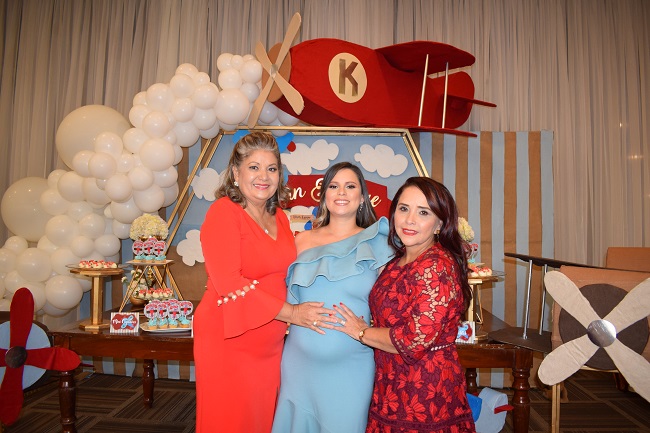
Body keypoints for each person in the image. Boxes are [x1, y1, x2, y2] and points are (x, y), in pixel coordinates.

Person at [193, 132, 336, 433]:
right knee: (230, 421)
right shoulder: (224, 212)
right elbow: (230, 282)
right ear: (236, 173)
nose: (264, 176)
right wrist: (293, 313)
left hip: (269, 342)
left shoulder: (280, 217)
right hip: (229, 338)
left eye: (271, 168)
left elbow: (286, 273)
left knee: (262, 419)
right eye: (254, 167)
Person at [330, 177, 477, 433]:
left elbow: (413, 341)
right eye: (404, 208)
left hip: (424, 392)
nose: (409, 220)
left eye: (423, 212)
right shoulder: (397, 261)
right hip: (390, 384)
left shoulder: (436, 266)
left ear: (439, 224)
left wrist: (361, 332)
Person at [271, 162, 395, 433]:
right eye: (334, 186)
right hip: (299, 364)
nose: (341, 192)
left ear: (362, 197)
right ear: (324, 195)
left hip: (351, 368)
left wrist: (369, 330)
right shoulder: (300, 241)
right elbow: (274, 293)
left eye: (350, 186)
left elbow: (392, 306)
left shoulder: (378, 242)